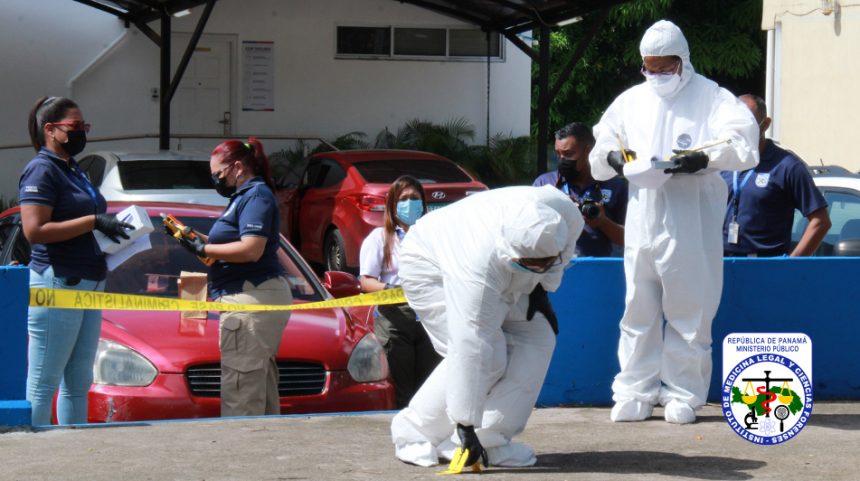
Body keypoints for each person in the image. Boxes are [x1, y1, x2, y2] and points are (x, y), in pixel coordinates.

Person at [588, 20, 759, 424]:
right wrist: (615, 158)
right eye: (650, 68)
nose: (658, 76)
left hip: (691, 213)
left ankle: (683, 392)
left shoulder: (712, 98)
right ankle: (635, 389)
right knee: (638, 306)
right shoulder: (632, 100)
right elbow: (602, 144)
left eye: (665, 68)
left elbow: (743, 145)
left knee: (689, 307)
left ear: (682, 61)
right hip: (644, 211)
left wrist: (702, 160)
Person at [390, 185, 584, 468]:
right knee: (490, 357)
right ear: (512, 251)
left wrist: (542, 288)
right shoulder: (475, 269)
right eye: (531, 264)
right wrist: (464, 423)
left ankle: (492, 438)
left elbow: (555, 258)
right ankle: (413, 432)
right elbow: (470, 345)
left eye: (545, 263)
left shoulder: (564, 215)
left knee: (538, 338)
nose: (539, 269)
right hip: (428, 264)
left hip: (502, 265)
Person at [20, 96, 134, 425]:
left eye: (85, 126)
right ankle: (35, 463)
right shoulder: (41, 169)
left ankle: (73, 457)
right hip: (59, 282)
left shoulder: (71, 168)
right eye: (75, 126)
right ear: (51, 130)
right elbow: (34, 231)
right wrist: (93, 222)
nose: (83, 132)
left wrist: (111, 230)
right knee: (44, 382)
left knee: (78, 383)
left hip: (89, 281)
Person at [171, 138, 291, 417]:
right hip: (252, 295)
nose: (216, 180)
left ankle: (243, 454)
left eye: (219, 174)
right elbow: (228, 248)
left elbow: (251, 249)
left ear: (238, 167)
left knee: (241, 393)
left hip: (251, 297)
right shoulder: (246, 196)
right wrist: (194, 240)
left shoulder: (255, 196)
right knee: (257, 387)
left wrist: (204, 247)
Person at [359, 175, 441, 409]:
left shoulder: (432, 237)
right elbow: (366, 281)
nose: (409, 203)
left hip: (429, 318)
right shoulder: (380, 238)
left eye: (414, 198)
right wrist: (393, 290)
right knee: (402, 389)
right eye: (404, 199)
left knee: (429, 388)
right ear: (393, 204)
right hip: (394, 319)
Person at [722, 94, 831, 257]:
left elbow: (821, 221)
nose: (740, 130)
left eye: (747, 124)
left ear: (765, 125)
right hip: (722, 265)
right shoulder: (723, 162)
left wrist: (791, 265)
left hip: (766, 266)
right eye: (736, 123)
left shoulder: (787, 166)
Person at [534, 122, 627, 256]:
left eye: (568, 153)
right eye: (558, 153)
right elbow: (530, 233)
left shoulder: (616, 185)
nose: (562, 159)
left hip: (601, 268)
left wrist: (602, 222)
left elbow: (629, 238)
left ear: (588, 151)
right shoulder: (544, 184)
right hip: (555, 269)